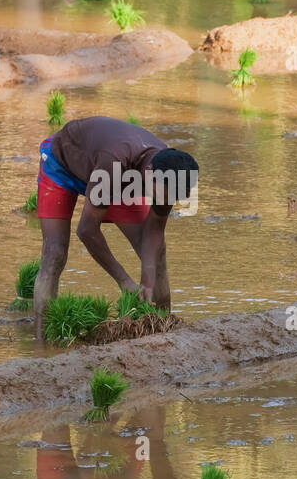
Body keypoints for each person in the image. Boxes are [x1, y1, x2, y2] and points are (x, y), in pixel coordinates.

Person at [32, 116, 198, 337]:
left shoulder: (170, 174)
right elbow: (87, 230)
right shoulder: (115, 163)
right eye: (161, 195)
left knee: (158, 255)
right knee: (54, 253)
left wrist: (146, 282)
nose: (166, 202)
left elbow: (154, 230)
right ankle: (42, 341)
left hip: (117, 178)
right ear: (148, 174)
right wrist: (124, 280)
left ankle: (163, 334)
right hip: (63, 164)